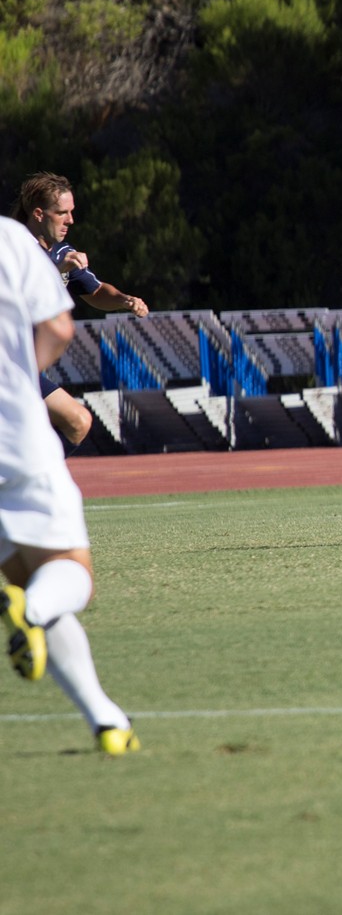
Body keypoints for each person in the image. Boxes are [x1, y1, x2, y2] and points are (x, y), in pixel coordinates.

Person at [0, 216, 140, 755]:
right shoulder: (12, 240)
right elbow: (59, 329)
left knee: (30, 577)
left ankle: (106, 721)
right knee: (67, 574)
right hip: (16, 436)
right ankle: (25, 611)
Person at [13, 172, 149, 449]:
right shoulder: (13, 249)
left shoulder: (61, 253)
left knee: (73, 424)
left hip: (21, 367)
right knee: (75, 422)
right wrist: (58, 273)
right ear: (39, 214)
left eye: (71, 212)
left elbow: (96, 292)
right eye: (62, 213)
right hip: (8, 365)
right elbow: (20, 298)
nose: (70, 221)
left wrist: (124, 299)